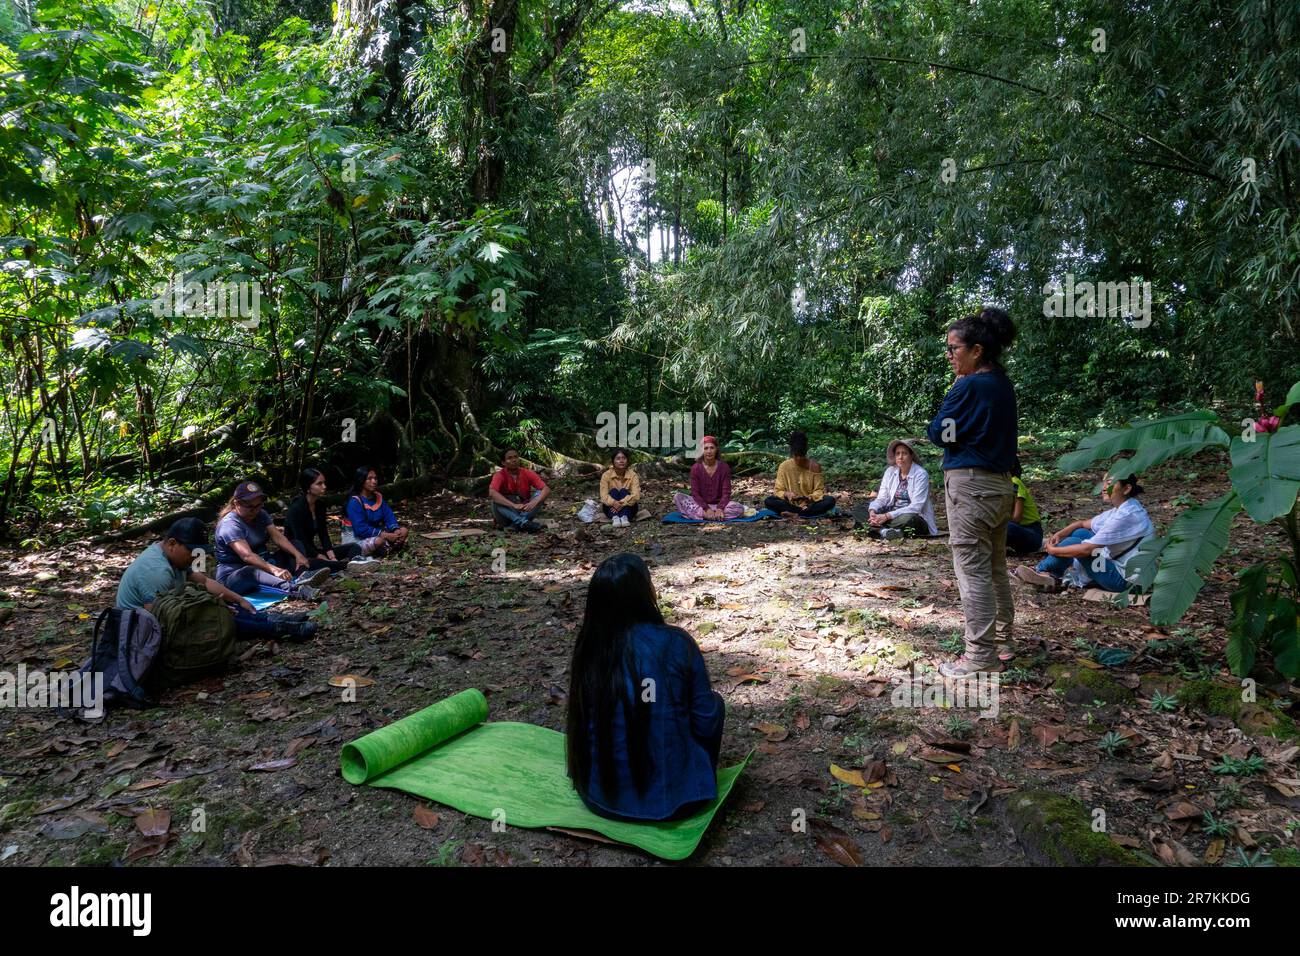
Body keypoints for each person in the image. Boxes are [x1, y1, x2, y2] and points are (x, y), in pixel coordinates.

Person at [565, 552, 725, 821]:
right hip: (677, 802)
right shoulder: (675, 643)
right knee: (715, 704)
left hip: (598, 799)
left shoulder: (590, 645)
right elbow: (705, 717)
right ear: (643, 593)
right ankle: (687, 778)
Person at [925, 307, 1020, 678]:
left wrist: (947, 428)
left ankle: (980, 655)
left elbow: (939, 433)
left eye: (953, 349)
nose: (949, 356)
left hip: (972, 486)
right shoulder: (1001, 383)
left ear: (976, 350)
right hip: (1000, 486)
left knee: (973, 570)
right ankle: (1004, 642)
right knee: (995, 567)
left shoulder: (968, 386)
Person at [116, 517, 316, 641]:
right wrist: (209, 611)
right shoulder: (156, 571)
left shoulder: (174, 558)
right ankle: (277, 628)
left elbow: (204, 581)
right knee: (220, 618)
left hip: (166, 616)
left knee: (227, 609)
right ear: (172, 544)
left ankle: (274, 619)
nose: (196, 556)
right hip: (143, 631)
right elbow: (161, 619)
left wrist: (239, 599)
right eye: (192, 551)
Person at [1014, 473, 1154, 593]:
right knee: (1081, 533)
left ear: (1127, 488)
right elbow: (1082, 524)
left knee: (1076, 543)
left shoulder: (1126, 516)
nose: (1104, 487)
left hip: (1128, 582)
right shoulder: (1124, 508)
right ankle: (1050, 575)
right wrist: (1060, 534)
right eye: (1104, 482)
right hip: (1120, 567)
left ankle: (1040, 570)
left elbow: (1086, 550)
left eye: (1110, 483)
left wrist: (1053, 550)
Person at [213, 480, 328, 600]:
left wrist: (298, 555)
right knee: (250, 572)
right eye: (250, 507)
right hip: (236, 576)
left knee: (295, 545)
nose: (255, 510)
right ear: (237, 503)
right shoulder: (230, 525)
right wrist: (274, 569)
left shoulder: (261, 514)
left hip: (263, 562)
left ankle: (302, 577)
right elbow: (247, 556)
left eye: (258, 505)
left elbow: (278, 537)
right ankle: (295, 589)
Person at [287, 468, 380, 572]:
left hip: (314, 550)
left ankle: (355, 561)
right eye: (319, 484)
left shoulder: (320, 505)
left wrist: (331, 556)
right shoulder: (296, 509)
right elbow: (299, 539)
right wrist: (319, 555)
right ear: (308, 487)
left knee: (354, 547)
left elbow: (323, 534)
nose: (324, 486)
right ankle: (347, 565)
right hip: (299, 554)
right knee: (319, 564)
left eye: (324, 483)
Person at [853, 438, 938, 539]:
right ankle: (884, 531)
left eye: (904, 453)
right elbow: (882, 498)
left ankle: (875, 529)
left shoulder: (921, 474)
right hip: (890, 513)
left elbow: (916, 506)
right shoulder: (890, 471)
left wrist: (886, 516)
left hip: (909, 516)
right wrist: (872, 512)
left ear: (911, 456)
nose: (900, 457)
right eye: (897, 454)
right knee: (859, 509)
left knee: (910, 519)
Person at [764, 430, 837, 519]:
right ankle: (802, 514)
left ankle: (796, 514)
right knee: (769, 501)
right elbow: (778, 490)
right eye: (796, 455)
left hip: (809, 504)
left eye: (801, 455)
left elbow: (819, 490)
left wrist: (810, 498)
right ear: (792, 452)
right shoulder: (784, 466)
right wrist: (787, 494)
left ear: (806, 452)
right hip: (791, 504)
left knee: (830, 500)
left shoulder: (814, 466)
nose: (798, 459)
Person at [673, 436, 744, 520]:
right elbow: (695, 493)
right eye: (705, 448)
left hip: (719, 505)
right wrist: (706, 508)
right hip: (701, 505)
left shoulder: (724, 467)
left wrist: (720, 508)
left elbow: (726, 493)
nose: (709, 451)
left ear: (716, 449)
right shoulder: (696, 468)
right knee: (678, 497)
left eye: (712, 448)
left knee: (739, 508)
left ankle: (705, 516)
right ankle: (711, 515)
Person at [344, 467, 409, 554]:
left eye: (375, 478)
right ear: (361, 481)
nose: (374, 481)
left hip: (378, 533)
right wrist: (385, 535)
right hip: (358, 538)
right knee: (378, 541)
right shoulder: (354, 502)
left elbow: (389, 516)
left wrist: (395, 530)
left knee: (403, 530)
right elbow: (360, 529)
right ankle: (390, 546)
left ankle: (389, 547)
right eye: (370, 479)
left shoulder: (378, 497)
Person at [488, 450, 551, 533]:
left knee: (540, 493)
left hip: (524, 512)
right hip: (505, 516)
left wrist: (534, 502)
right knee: (495, 499)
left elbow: (546, 489)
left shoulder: (527, 473)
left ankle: (517, 525)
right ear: (503, 462)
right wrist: (513, 505)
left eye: (516, 457)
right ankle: (522, 522)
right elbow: (492, 493)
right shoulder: (499, 475)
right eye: (509, 458)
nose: (514, 460)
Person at [599, 449, 641, 527]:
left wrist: (621, 503)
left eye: (624, 458)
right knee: (614, 491)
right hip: (611, 507)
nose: (621, 461)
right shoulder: (606, 475)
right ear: (613, 461)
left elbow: (636, 495)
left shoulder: (633, 475)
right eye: (618, 458)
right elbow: (603, 496)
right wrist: (614, 503)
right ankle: (615, 517)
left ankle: (624, 517)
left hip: (629, 508)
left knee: (623, 491)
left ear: (627, 460)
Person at [1006, 475, 1044, 555]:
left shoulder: (1014, 482)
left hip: (1032, 533)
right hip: (1018, 531)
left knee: (1004, 526)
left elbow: (1017, 518)